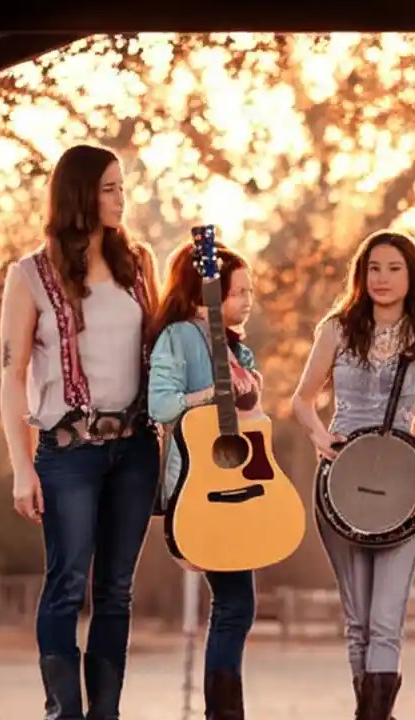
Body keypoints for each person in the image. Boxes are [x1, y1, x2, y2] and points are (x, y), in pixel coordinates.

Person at [0, 144, 161, 719]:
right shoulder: (30, 275)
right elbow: (12, 375)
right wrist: (22, 468)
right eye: (110, 188)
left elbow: (162, 354)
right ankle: (63, 711)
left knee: (116, 589)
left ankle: (105, 713)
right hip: (67, 454)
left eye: (122, 187)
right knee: (67, 582)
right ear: (80, 195)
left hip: (137, 449)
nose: (122, 198)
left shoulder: (139, 264)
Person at [290, 230, 415, 720]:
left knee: (386, 620)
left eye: (394, 268)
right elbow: (301, 399)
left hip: (404, 488)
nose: (382, 278)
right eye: (373, 268)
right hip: (339, 484)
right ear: (362, 275)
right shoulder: (336, 329)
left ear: (412, 275)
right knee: (358, 620)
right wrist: (319, 436)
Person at [147, 240, 264, 719]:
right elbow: (161, 405)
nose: (248, 301)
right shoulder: (175, 337)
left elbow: (253, 414)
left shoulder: (238, 349)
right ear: (206, 295)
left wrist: (248, 388)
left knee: (238, 604)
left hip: (237, 487)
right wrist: (210, 393)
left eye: (249, 292)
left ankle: (224, 711)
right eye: (238, 293)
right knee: (236, 603)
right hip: (196, 488)